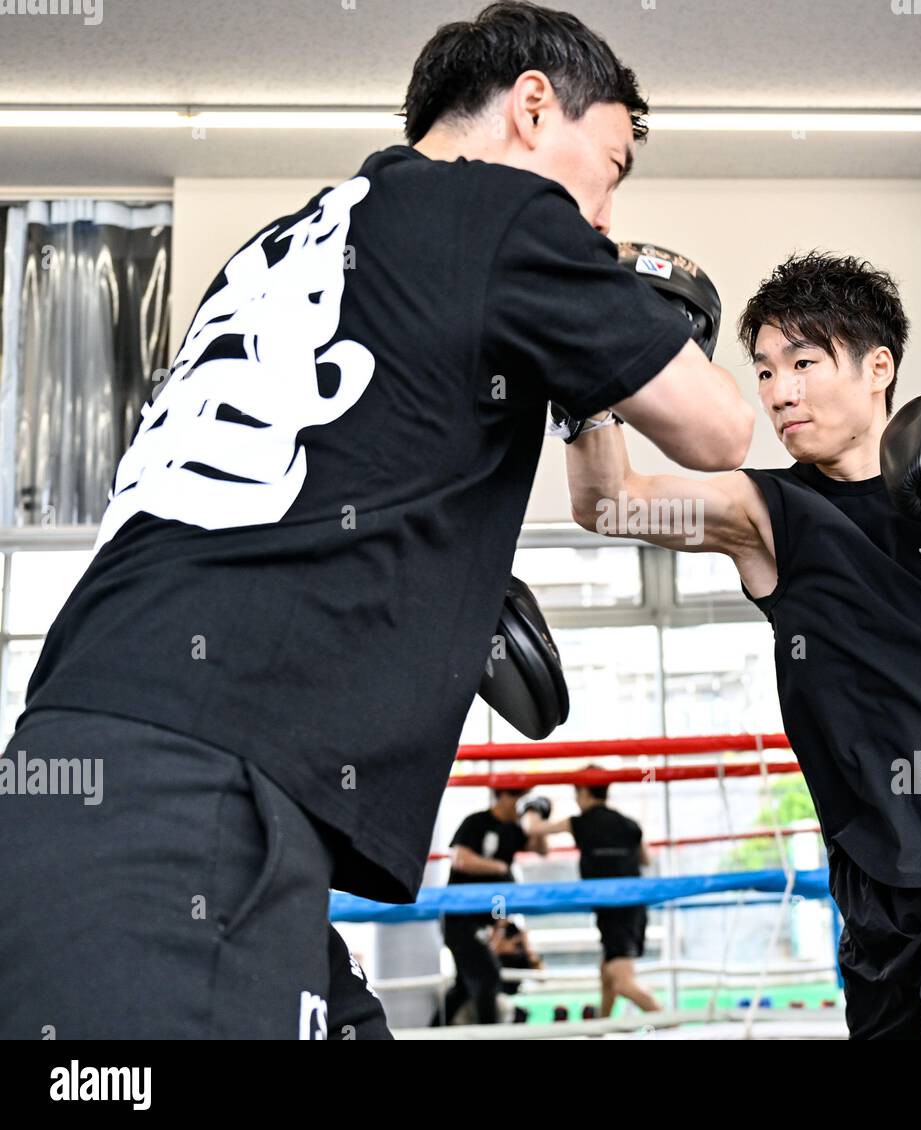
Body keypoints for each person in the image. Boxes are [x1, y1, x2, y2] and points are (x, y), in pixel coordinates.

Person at [0, 1, 751, 1040]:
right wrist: (620, 332)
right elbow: (718, 427)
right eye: (611, 165)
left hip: (112, 773)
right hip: (192, 803)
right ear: (534, 108)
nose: (606, 223)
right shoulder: (497, 213)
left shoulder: (290, 242)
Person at [558, 252, 921, 1040]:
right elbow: (611, 506)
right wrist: (593, 379)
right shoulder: (769, 513)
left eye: (803, 362)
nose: (780, 393)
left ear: (878, 368)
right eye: (763, 371)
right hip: (872, 894)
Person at [527, 775, 658, 1016]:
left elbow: (533, 828)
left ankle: (674, 1026)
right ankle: (601, 1030)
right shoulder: (629, 823)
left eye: (577, 793)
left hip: (613, 909)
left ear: (585, 792)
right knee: (607, 973)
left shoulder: (580, 822)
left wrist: (535, 807)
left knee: (622, 982)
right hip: (632, 907)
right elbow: (646, 860)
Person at [436, 788, 544, 1025]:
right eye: (516, 795)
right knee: (487, 975)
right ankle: (489, 1033)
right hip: (459, 917)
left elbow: (541, 848)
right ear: (502, 795)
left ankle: (430, 1031)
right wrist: (499, 867)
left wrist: (537, 816)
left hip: (487, 920)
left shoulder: (515, 830)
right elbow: (461, 858)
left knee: (464, 986)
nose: (519, 802)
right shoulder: (476, 822)